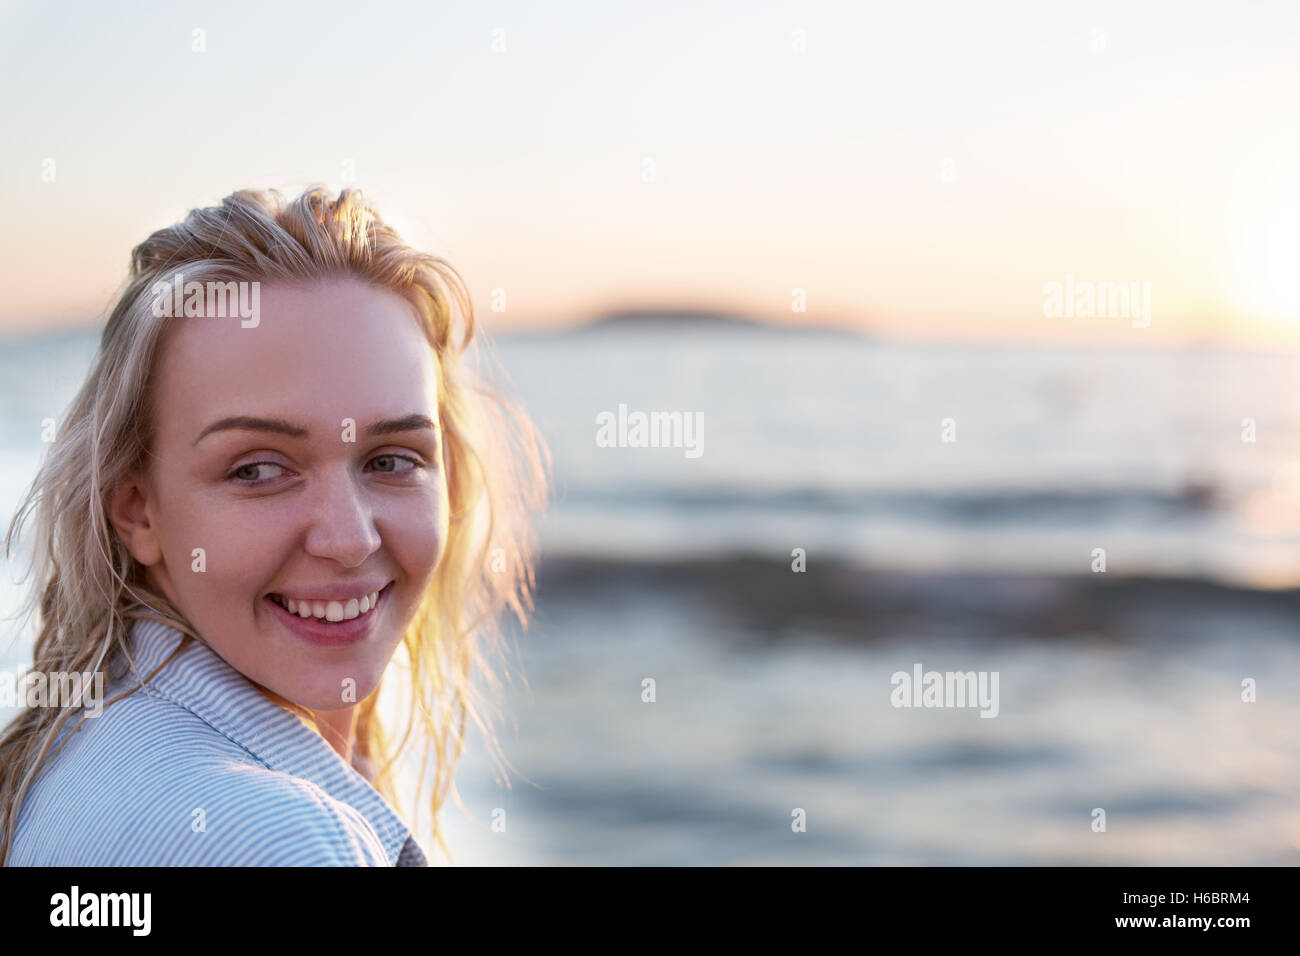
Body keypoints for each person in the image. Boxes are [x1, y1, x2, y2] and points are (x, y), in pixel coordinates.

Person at [0, 186, 547, 865]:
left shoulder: (89, 738)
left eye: (392, 459)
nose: (349, 540)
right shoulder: (275, 837)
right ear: (137, 508)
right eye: (258, 470)